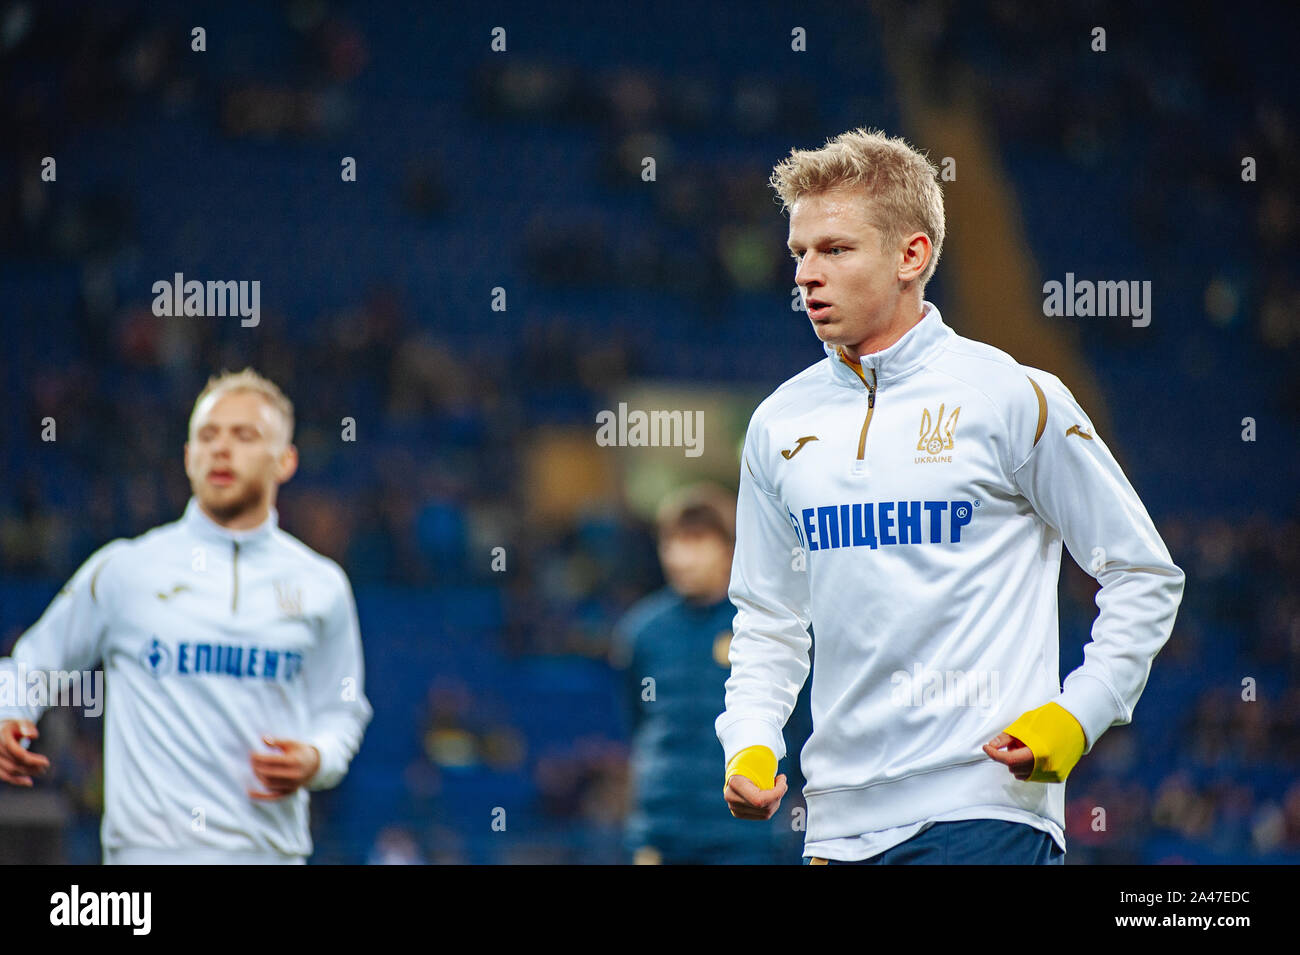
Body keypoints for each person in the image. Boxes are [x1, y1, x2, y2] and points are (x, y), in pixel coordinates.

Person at [716, 128, 1184, 864]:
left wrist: (1079, 714)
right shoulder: (779, 422)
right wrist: (749, 739)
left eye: (835, 249)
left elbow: (1143, 574)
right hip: (834, 828)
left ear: (912, 255)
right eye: (799, 252)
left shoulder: (1011, 397)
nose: (806, 273)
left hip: (985, 810)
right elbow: (770, 616)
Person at [0, 369, 372, 864]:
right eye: (207, 436)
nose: (221, 449)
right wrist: (10, 712)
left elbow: (341, 708)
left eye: (244, 436)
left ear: (285, 461)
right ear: (187, 457)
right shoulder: (125, 569)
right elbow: (31, 667)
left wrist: (318, 758)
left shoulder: (321, 586)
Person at [611, 484, 808, 864]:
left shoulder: (765, 630)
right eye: (672, 543)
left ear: (729, 547)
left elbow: (800, 723)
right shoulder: (641, 632)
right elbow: (635, 723)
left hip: (745, 835)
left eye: (696, 541)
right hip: (660, 832)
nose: (681, 557)